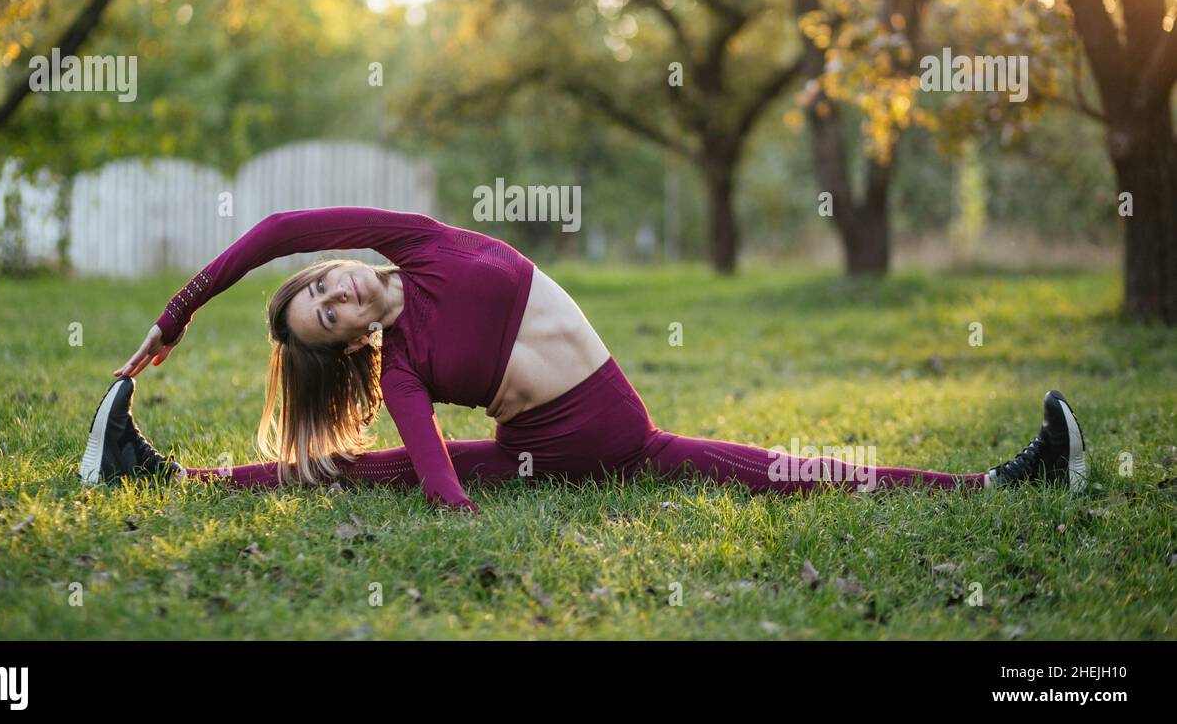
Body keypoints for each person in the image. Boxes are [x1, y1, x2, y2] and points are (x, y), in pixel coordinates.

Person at [79, 208, 1088, 511]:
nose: (334, 302)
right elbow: (430, 466)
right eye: (326, 324)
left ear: (335, 265)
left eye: (320, 288)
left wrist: (176, 316)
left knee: (796, 467)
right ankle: (158, 472)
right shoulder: (401, 367)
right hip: (561, 450)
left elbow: (274, 225)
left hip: (619, 434)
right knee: (362, 465)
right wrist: (456, 507)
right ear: (345, 345)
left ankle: (999, 478)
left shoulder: (413, 239)